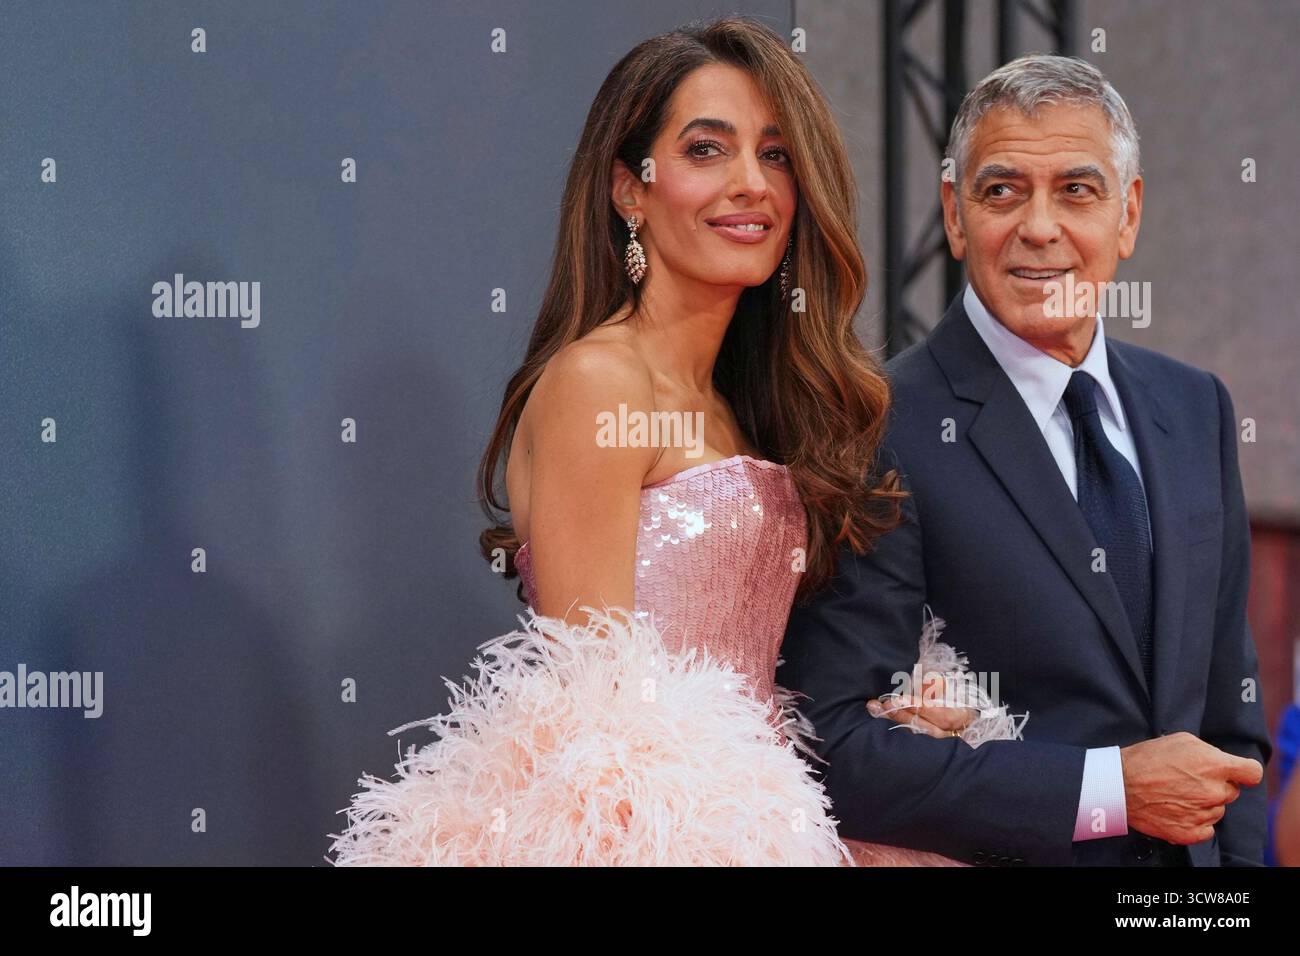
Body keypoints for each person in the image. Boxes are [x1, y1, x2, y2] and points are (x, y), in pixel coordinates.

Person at [326, 17, 1014, 867]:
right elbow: (598, 713)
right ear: (630, 189)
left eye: (775, 155)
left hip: (768, 819)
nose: (750, 184)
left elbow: (756, 677)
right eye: (704, 150)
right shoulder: (598, 381)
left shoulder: (748, 404)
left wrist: (886, 720)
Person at [778, 54, 1271, 866]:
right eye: (1002, 190)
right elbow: (833, 744)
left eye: (1077, 190)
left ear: (1129, 214)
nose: (1039, 227)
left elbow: (1230, 721)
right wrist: (1110, 790)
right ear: (955, 213)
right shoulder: (875, 425)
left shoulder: (1196, 408)